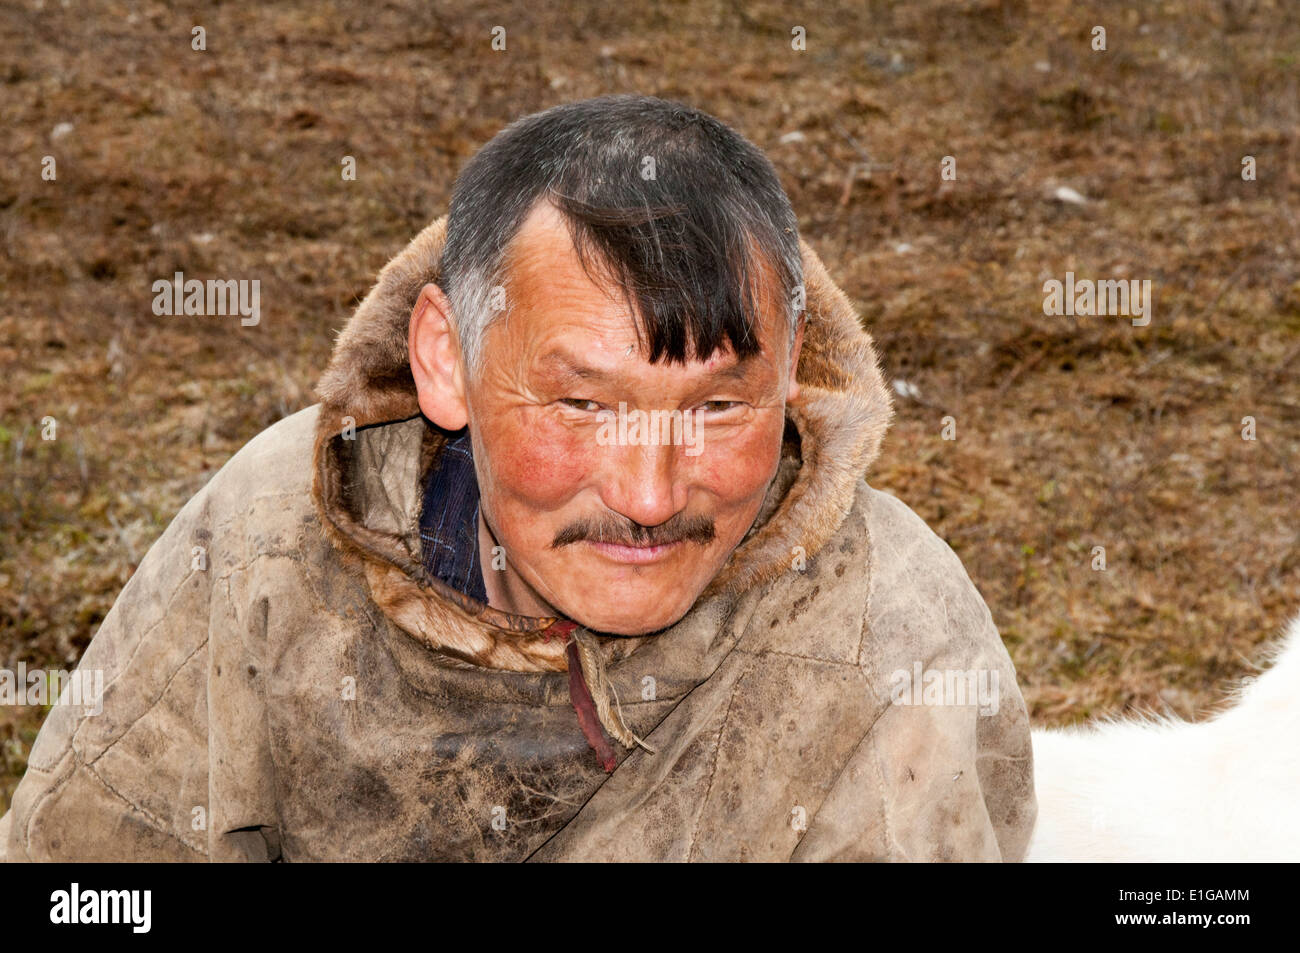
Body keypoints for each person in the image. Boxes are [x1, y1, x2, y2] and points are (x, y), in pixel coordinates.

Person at [1, 94, 1034, 861]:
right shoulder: (275, 533)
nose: (648, 494)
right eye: (581, 404)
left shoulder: (889, 638)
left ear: (792, 368)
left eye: (716, 407)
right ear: (446, 360)